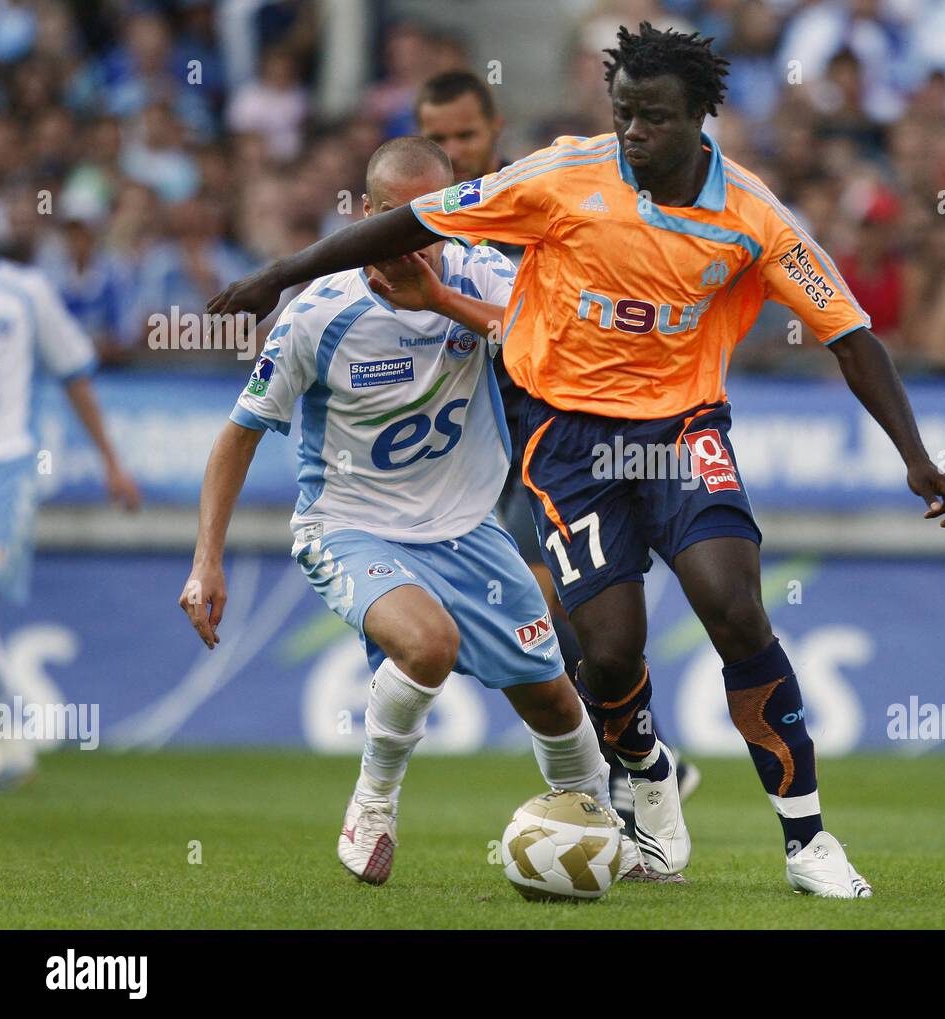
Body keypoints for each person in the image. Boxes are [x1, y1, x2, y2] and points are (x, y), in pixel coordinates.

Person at [207, 24, 945, 898]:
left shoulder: (755, 217)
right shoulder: (563, 175)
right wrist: (281, 271)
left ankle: (808, 842)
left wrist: (918, 457)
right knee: (608, 654)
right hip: (566, 440)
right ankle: (645, 768)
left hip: (683, 432)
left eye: (653, 118)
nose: (633, 134)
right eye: (623, 115)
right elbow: (414, 218)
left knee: (733, 605)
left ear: (701, 118)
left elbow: (851, 336)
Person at [179, 137, 653, 886]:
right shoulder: (317, 315)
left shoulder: (481, 271)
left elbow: (550, 348)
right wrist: (207, 559)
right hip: (351, 524)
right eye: (398, 218)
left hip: (469, 531)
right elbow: (237, 437)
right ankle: (373, 804)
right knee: (427, 644)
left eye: (433, 216)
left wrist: (439, 301)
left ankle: (598, 829)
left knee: (554, 697)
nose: (418, 238)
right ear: (368, 215)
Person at [416, 68, 699, 836]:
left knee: (549, 600)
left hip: (550, 437)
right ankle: (636, 753)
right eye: (434, 138)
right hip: (467, 457)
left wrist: (444, 302)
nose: (451, 150)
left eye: (464, 135)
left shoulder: (533, 205)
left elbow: (527, 328)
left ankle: (633, 758)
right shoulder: (429, 224)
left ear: (495, 129)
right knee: (525, 613)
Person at [0, 257, 141, 788]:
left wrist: (112, 462)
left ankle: (7, 742)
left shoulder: (25, 290)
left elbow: (75, 371)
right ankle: (7, 741)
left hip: (7, 465)